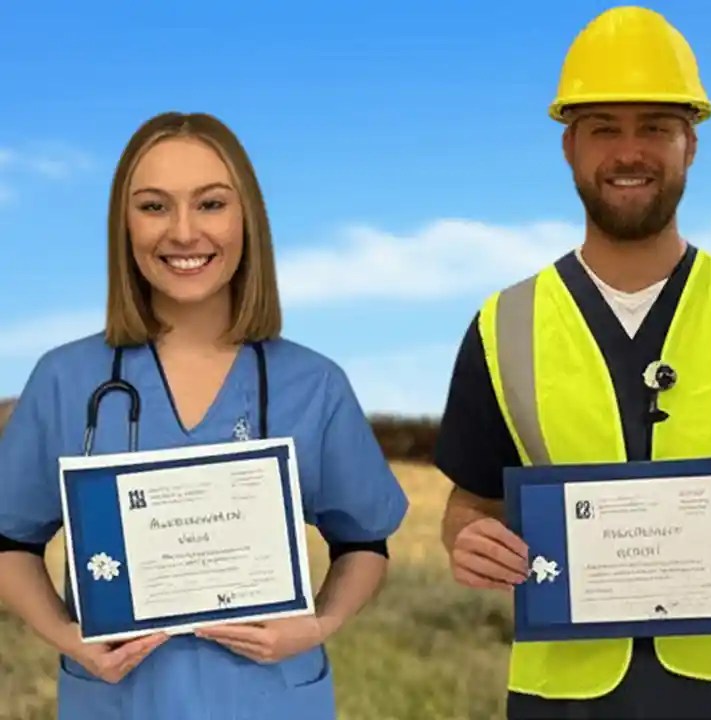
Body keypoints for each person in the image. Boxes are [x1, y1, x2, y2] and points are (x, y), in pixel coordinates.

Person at [433, 5, 711, 720]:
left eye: (655, 128)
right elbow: (465, 507)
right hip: (561, 694)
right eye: (605, 128)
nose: (629, 152)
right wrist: (467, 541)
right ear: (570, 146)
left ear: (690, 145)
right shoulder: (502, 324)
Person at [0, 111, 409, 720]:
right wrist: (70, 641)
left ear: (247, 219)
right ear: (123, 225)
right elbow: (10, 541)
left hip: (273, 701)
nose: (184, 232)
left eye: (211, 204)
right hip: (117, 702)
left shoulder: (314, 383)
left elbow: (363, 542)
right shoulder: (65, 379)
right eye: (154, 206)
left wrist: (318, 625)